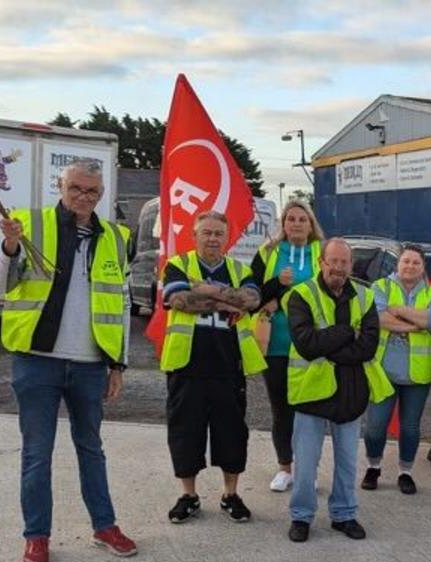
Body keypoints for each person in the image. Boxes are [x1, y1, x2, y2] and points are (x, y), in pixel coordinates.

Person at [0, 159, 137, 562]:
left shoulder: (116, 237)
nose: (83, 197)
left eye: (91, 191)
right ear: (61, 186)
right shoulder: (27, 224)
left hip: (89, 364)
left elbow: (121, 304)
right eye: (76, 189)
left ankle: (104, 526)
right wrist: (9, 248)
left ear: (101, 194)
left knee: (92, 448)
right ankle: (37, 537)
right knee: (37, 452)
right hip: (37, 363)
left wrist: (118, 364)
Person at [158, 211, 263, 524]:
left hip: (229, 365)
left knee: (232, 433)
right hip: (186, 365)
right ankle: (188, 495)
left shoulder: (240, 268)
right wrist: (227, 301)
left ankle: (231, 494)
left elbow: (251, 300)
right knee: (185, 432)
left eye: (219, 233)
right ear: (195, 235)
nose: (213, 239)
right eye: (207, 233)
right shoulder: (178, 264)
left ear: (227, 237)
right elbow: (178, 301)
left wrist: (205, 290)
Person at [285, 238, 393, 542]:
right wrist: (347, 332)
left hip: (351, 391)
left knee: (347, 461)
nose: (339, 268)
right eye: (333, 261)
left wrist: (330, 346)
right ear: (321, 262)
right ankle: (301, 517)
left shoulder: (365, 295)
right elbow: (307, 345)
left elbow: (369, 346)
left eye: (344, 262)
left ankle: (344, 514)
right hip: (311, 394)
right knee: (305, 464)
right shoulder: (301, 295)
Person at [250, 200, 325, 492]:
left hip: (312, 345)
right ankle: (285, 468)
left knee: (311, 409)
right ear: (283, 224)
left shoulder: (322, 252)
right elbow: (251, 293)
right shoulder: (267, 252)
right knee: (282, 409)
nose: (296, 224)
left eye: (302, 219)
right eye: (290, 219)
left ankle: (309, 469)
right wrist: (276, 285)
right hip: (276, 344)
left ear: (311, 224)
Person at [361, 244, 431, 494]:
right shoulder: (380, 287)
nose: (410, 266)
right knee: (375, 426)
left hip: (417, 374)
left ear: (422, 267)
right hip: (383, 370)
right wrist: (414, 324)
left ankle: (405, 471)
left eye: (415, 263)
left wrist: (398, 311)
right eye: (406, 261)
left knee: (410, 427)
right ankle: (373, 466)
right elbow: (378, 318)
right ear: (398, 264)